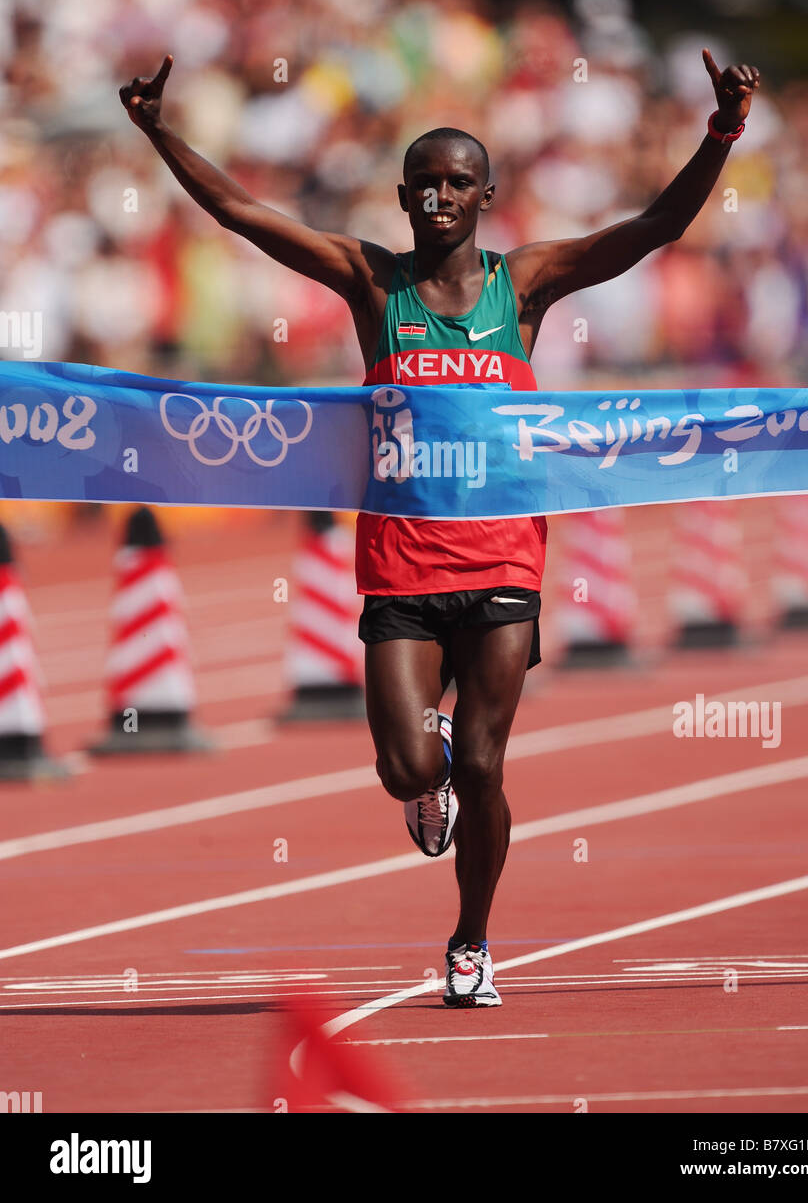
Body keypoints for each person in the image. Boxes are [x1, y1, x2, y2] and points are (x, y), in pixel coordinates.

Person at [120, 49, 759, 1006]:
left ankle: (470, 942)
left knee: (487, 759)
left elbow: (655, 227)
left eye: (459, 181)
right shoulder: (373, 284)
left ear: (487, 194)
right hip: (401, 571)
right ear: (403, 194)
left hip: (502, 561)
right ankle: (429, 788)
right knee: (409, 762)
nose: (441, 196)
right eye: (425, 183)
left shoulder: (526, 284)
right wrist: (160, 131)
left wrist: (720, 131)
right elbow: (243, 217)